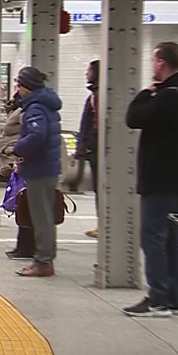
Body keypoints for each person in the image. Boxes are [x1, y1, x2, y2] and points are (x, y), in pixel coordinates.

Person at [123, 41, 178, 317]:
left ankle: (158, 299)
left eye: (154, 61)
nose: (152, 66)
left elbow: (133, 118)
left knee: (152, 237)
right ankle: (175, 299)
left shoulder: (165, 96)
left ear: (162, 62)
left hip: (159, 179)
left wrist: (144, 93)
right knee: (171, 240)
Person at [10, 67, 63, 277]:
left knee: (41, 217)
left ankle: (43, 261)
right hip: (47, 166)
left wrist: (18, 148)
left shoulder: (35, 108)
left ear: (27, 87)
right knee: (46, 216)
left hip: (39, 168)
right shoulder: (46, 104)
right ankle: (46, 256)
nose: (16, 88)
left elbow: (37, 136)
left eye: (18, 84)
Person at [0, 94, 35, 260]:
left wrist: (17, 155)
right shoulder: (23, 109)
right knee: (22, 203)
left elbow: (30, 137)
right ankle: (23, 245)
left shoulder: (32, 111)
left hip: (25, 162)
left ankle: (29, 248)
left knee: (26, 203)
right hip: (19, 159)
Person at [74, 60, 100, 239]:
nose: (86, 73)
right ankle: (103, 223)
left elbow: (93, 124)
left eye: (89, 70)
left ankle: (105, 224)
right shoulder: (94, 95)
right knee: (99, 188)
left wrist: (86, 144)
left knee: (102, 188)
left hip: (98, 149)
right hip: (94, 148)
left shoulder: (99, 96)